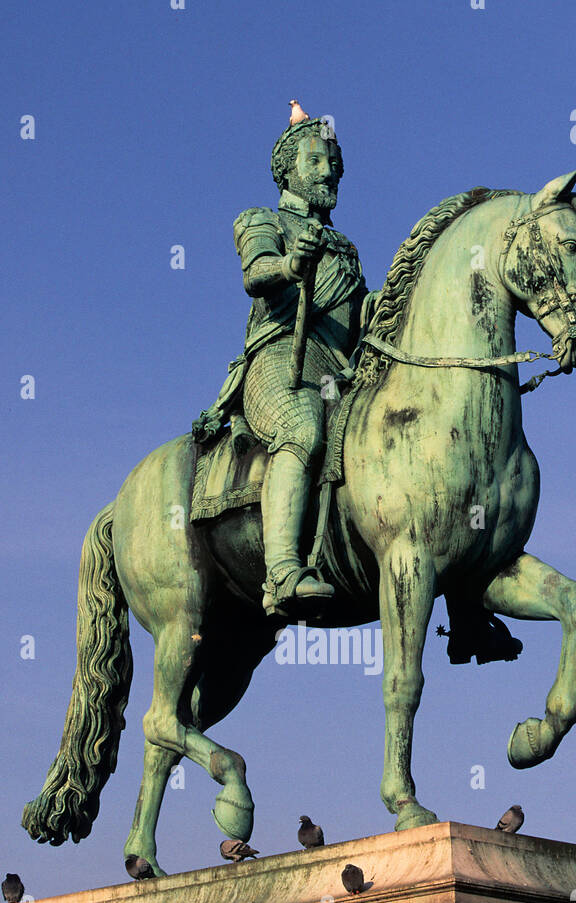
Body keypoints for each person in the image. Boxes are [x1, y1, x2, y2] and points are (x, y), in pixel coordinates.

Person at [193, 107, 375, 617]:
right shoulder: (261, 220)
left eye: (334, 161)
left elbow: (356, 313)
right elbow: (256, 274)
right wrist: (292, 264)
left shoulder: (345, 247)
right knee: (302, 427)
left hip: (338, 372)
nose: (329, 169)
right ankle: (282, 572)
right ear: (287, 168)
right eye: (316, 158)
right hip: (279, 360)